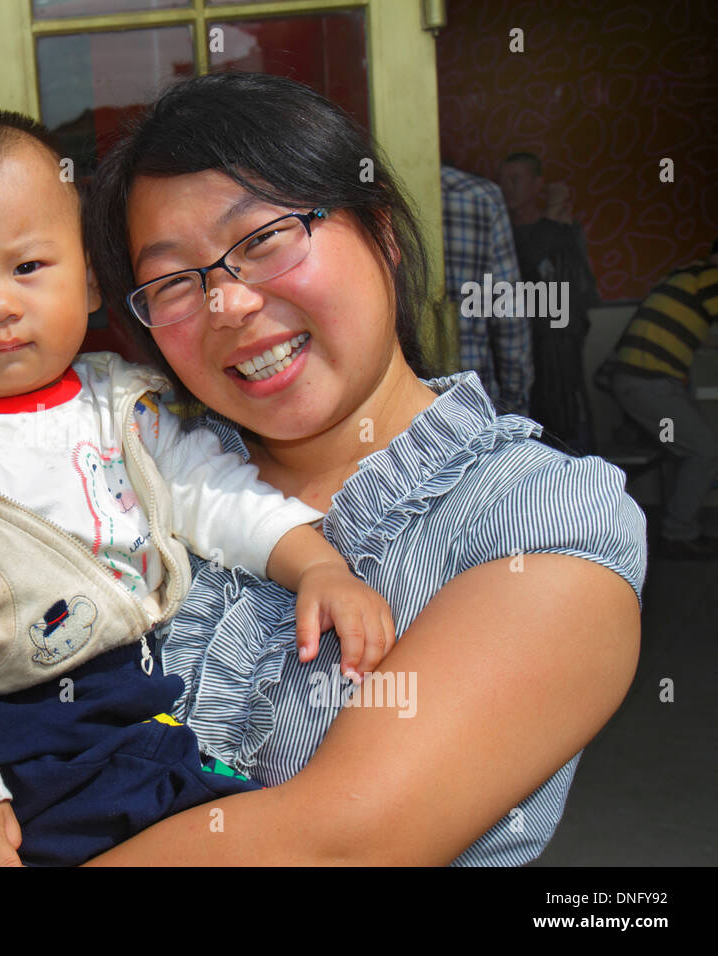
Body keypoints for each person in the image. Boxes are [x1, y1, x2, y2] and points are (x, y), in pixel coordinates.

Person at [83, 72, 646, 864]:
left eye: (265, 238)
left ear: (381, 232)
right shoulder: (126, 477)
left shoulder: (539, 515)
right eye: (175, 280)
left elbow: (337, 843)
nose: (229, 304)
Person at [0, 111, 396, 867]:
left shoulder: (119, 407)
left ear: (89, 277)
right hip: (20, 736)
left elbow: (211, 493)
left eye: (28, 267)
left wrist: (313, 563)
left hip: (140, 700)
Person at [607, 240, 718, 559]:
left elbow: (699, 335)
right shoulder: (709, 276)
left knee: (691, 449)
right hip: (649, 384)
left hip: (639, 382)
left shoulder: (687, 275)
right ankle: (678, 533)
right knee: (705, 452)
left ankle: (678, 527)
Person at [498, 151, 600, 453]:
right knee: (524, 427)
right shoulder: (503, 231)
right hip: (516, 345)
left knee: (565, 421)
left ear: (537, 185)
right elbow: (521, 265)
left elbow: (584, 290)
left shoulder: (562, 230)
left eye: (516, 179)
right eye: (502, 180)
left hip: (559, 344)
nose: (506, 187)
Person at [440, 164, 532, 415]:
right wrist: (515, 397)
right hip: (472, 397)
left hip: (388, 408)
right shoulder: (480, 196)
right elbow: (509, 313)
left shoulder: (362, 190)